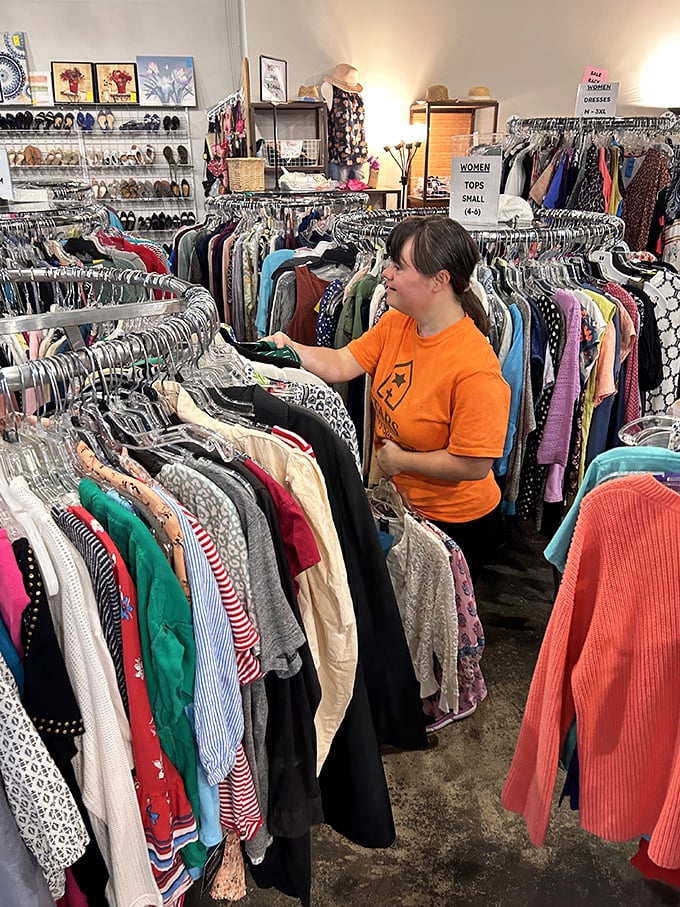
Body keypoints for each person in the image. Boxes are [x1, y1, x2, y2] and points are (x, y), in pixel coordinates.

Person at [267, 215, 511, 580]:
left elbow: (474, 464)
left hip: (455, 526)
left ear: (439, 280)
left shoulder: (475, 367)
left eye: (398, 266)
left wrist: (400, 460)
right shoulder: (398, 322)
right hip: (401, 509)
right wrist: (290, 348)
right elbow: (342, 363)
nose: (386, 274)